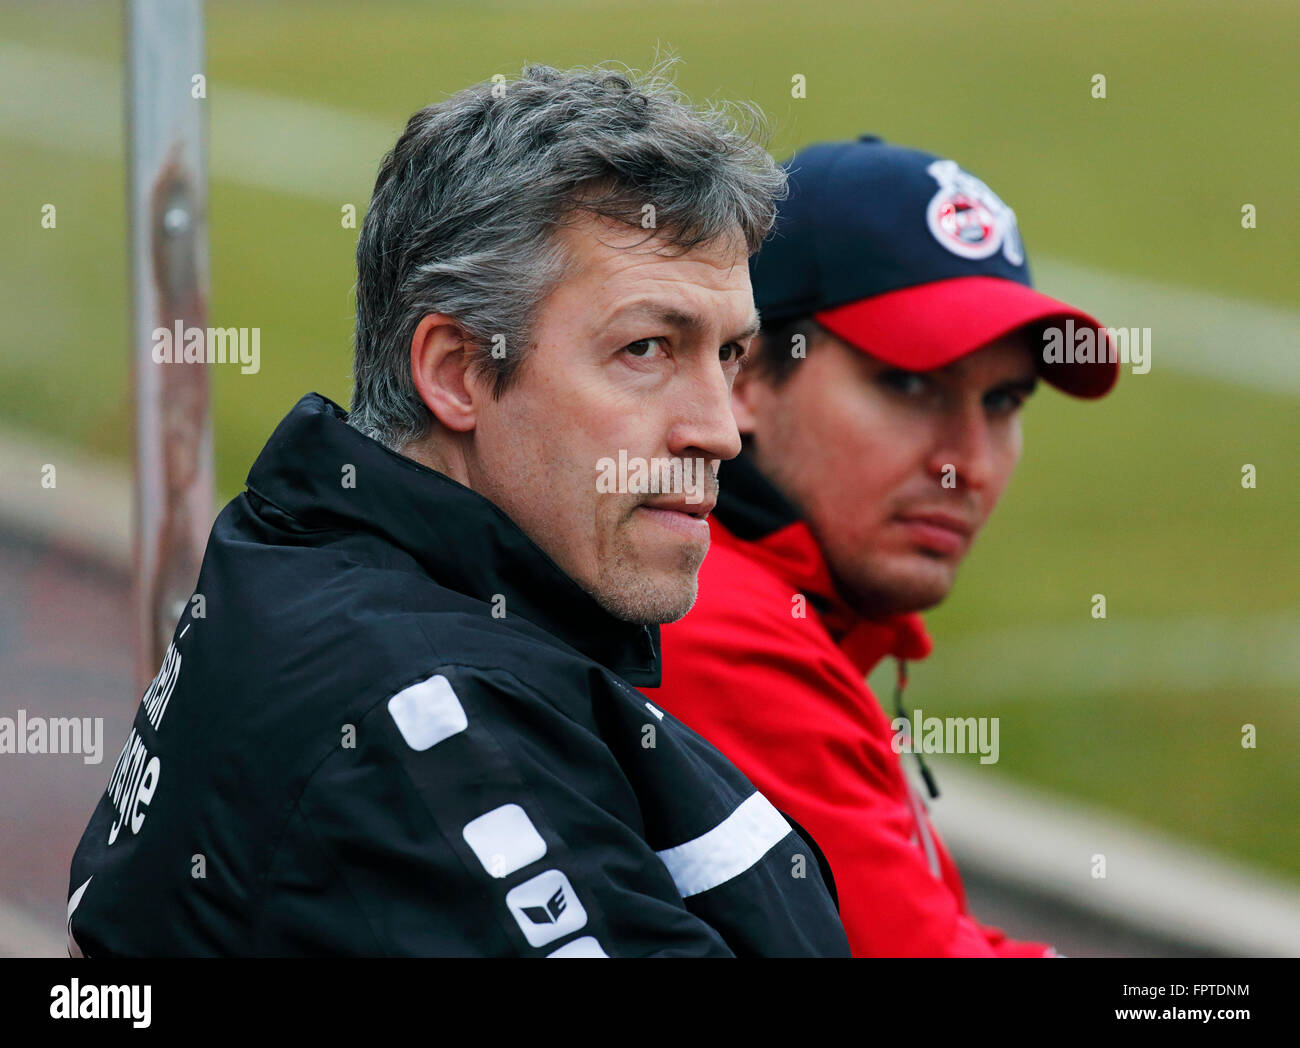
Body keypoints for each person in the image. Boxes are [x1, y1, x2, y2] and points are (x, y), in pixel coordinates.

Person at [65, 65, 850, 958]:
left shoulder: (304, 549)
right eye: (646, 348)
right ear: (456, 372)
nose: (719, 432)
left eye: (731, 353)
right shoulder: (420, 729)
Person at [643, 135, 1119, 957]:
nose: (965, 462)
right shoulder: (718, 628)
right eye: (907, 383)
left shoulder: (760, 598)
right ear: (745, 378)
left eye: (1003, 401)